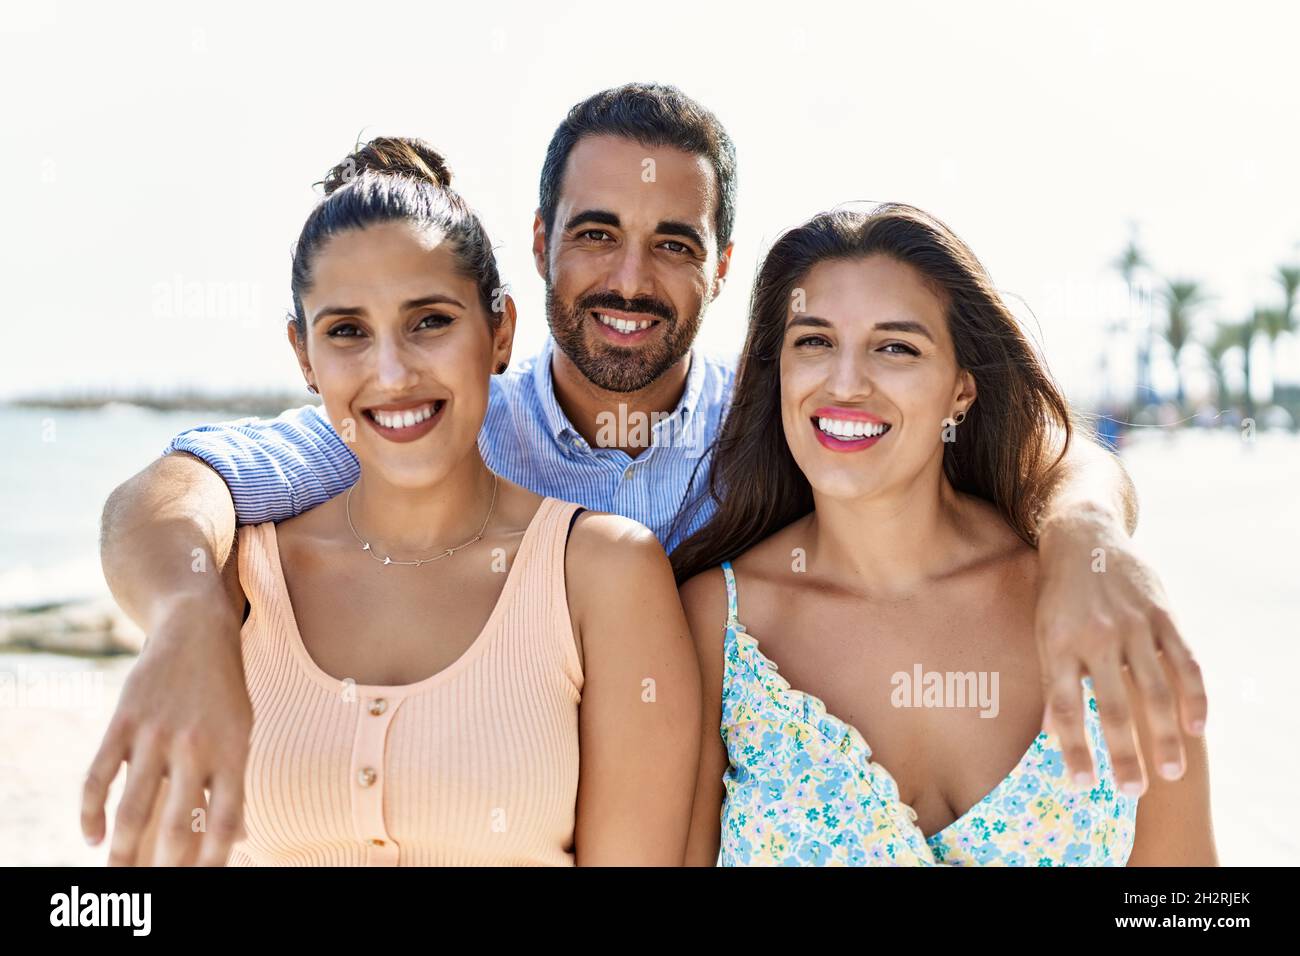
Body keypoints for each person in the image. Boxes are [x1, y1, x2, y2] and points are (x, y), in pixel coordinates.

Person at [85, 84, 1206, 866]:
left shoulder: (773, 424)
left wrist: (1092, 541)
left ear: (720, 266)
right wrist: (187, 615)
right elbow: (174, 489)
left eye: (673, 241)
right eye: (596, 233)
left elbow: (1031, 455)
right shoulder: (424, 418)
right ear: (535, 247)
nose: (630, 275)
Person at [125, 137, 699, 865]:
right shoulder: (237, 581)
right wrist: (182, 621)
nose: (391, 373)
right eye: (347, 332)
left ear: (500, 333)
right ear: (304, 357)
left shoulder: (604, 574)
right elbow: (162, 494)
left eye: (430, 321)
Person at [674, 205, 1216, 866]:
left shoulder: (1096, 602)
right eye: (813, 341)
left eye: (896, 347)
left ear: (962, 390)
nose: (845, 383)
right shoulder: (719, 625)